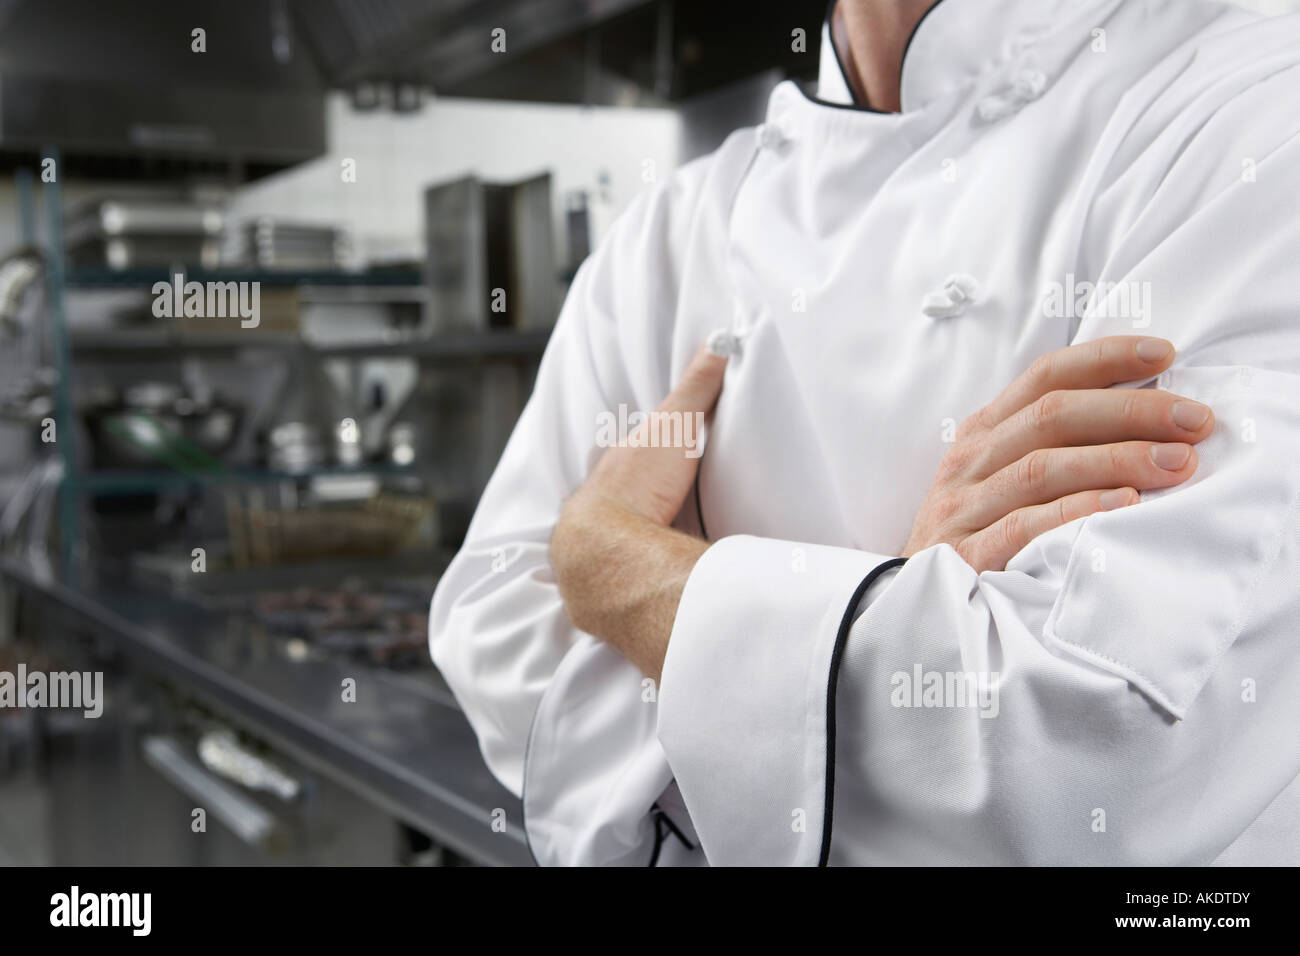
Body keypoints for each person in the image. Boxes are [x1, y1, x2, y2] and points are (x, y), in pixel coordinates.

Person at [430, 0, 1300, 865]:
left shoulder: (1251, 107)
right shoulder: (671, 229)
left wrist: (609, 566)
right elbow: (495, 631)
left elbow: (1086, 761)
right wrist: (904, 632)